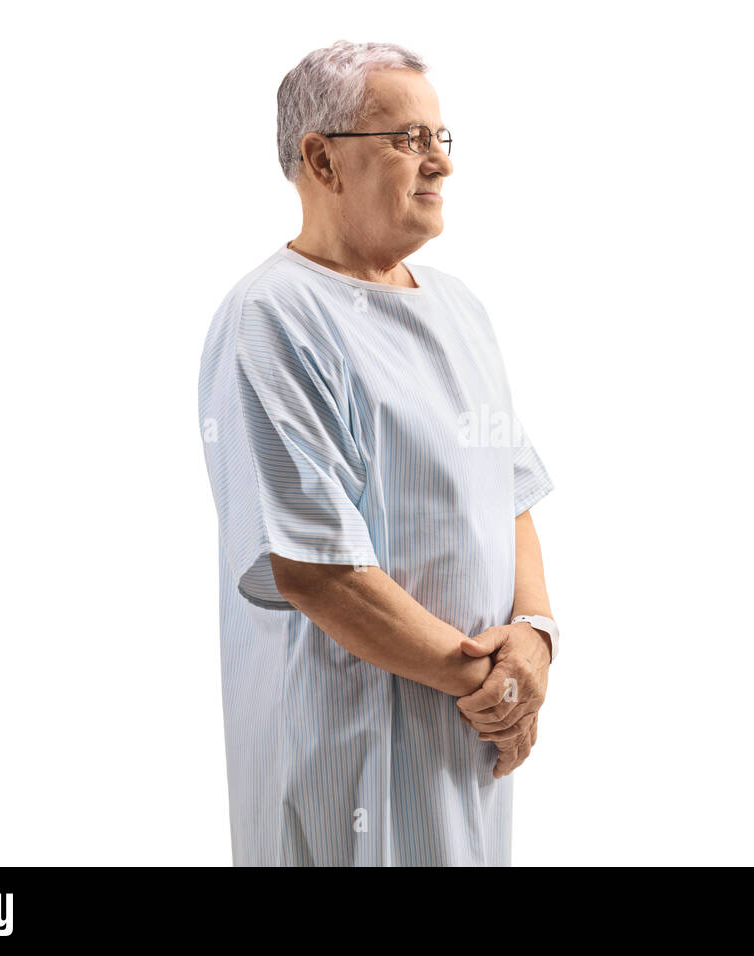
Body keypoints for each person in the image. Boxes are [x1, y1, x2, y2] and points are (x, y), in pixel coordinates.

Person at [197, 39, 559, 866]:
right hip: (348, 748)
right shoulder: (275, 317)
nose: (440, 164)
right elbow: (315, 568)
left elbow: (510, 495)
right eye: (408, 141)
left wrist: (534, 637)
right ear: (321, 160)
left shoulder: (460, 308)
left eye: (442, 138)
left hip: (466, 745)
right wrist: (491, 685)